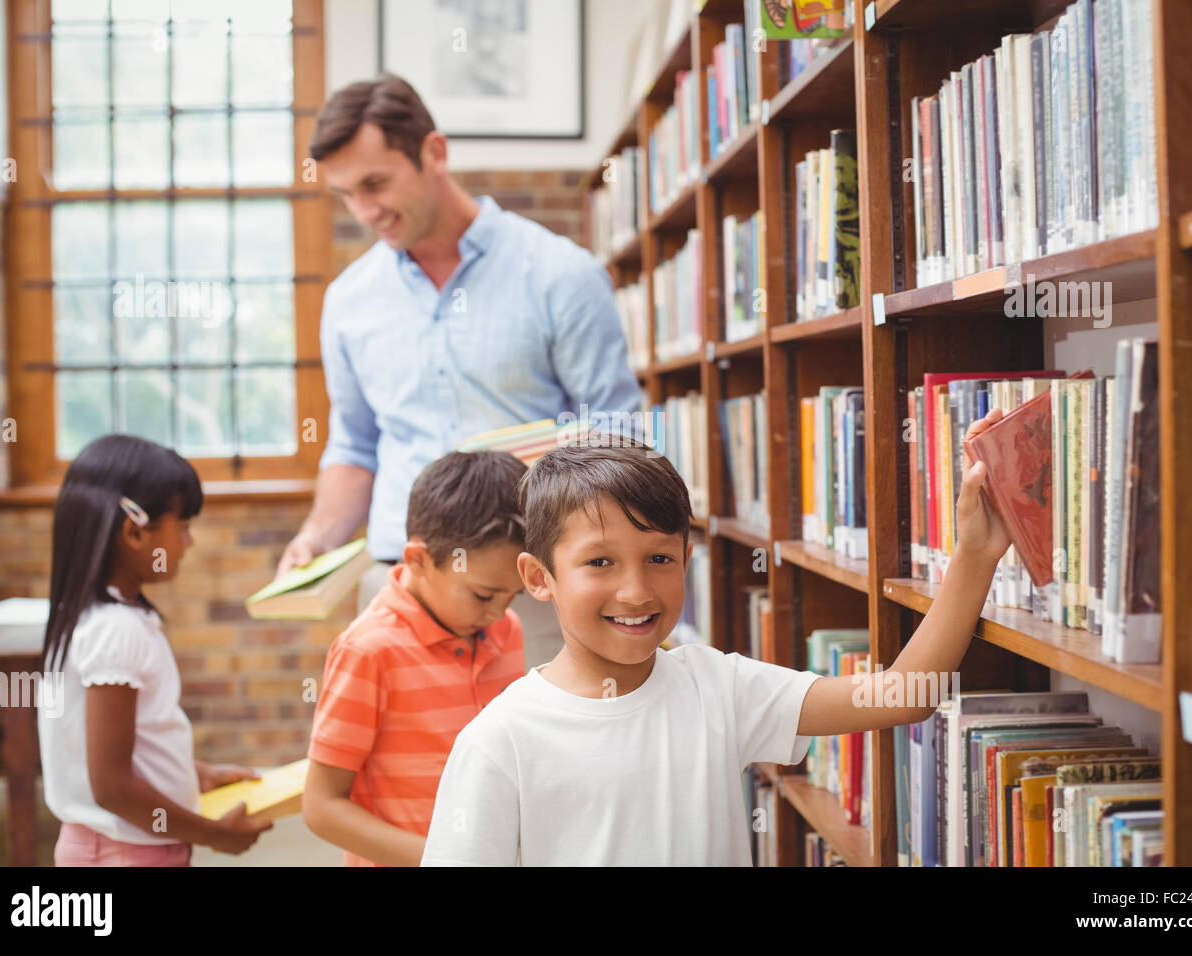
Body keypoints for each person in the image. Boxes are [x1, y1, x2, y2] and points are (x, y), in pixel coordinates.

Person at [420, 413, 1013, 865]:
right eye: (599, 563)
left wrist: (976, 553)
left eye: (658, 558)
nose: (635, 591)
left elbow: (904, 695)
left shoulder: (718, 688)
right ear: (538, 578)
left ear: (686, 559)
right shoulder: (500, 742)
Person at [275, 74, 642, 669]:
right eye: (345, 194)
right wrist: (317, 536)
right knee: (410, 765)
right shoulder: (348, 302)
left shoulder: (560, 275)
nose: (366, 211)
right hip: (399, 587)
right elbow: (354, 443)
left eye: (375, 183)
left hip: (534, 586)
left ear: (434, 152)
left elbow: (617, 437)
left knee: (549, 761)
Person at [38, 435, 271, 866]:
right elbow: (112, 785)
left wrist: (193, 773)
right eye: (182, 527)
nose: (189, 543)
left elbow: (119, 747)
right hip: (125, 854)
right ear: (134, 530)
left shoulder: (88, 616)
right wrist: (215, 834)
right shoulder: (117, 631)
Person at [302, 450, 528, 866]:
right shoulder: (368, 651)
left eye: (513, 595)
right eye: (483, 595)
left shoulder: (505, 629)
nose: (499, 612)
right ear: (417, 560)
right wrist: (442, 859)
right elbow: (321, 807)